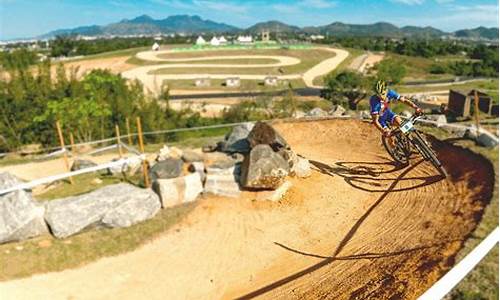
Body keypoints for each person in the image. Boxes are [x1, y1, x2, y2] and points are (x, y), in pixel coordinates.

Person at [370, 80, 422, 146]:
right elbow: (375, 121)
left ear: (386, 91)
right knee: (390, 138)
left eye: (383, 94)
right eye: (378, 95)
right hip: (380, 119)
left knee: (402, 123)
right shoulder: (374, 101)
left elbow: (404, 100)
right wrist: (383, 130)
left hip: (388, 113)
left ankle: (412, 141)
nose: (381, 97)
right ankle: (394, 150)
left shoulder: (390, 92)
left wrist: (416, 107)